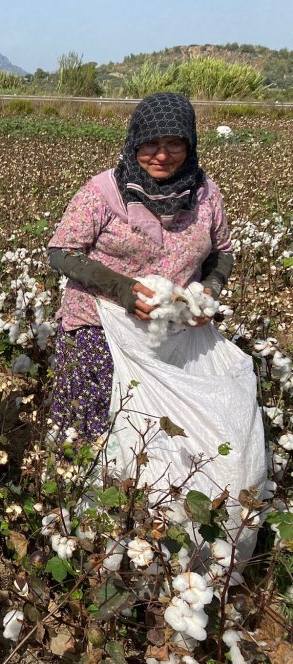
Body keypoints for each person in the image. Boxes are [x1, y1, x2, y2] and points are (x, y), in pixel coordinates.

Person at [47, 92, 234, 444]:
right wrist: (121, 289)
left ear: (190, 144)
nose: (161, 155)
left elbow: (222, 252)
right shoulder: (102, 192)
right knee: (91, 436)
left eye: (174, 144)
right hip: (98, 329)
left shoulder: (206, 194)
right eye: (150, 144)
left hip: (173, 335)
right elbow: (61, 251)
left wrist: (208, 293)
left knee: (168, 439)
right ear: (134, 143)